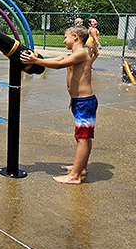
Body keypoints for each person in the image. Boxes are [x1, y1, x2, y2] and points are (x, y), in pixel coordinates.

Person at [20, 25, 96, 185]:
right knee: (83, 137)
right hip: (79, 102)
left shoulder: (81, 54)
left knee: (83, 138)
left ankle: (74, 176)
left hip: (84, 102)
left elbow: (59, 65)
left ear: (75, 37)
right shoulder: (73, 54)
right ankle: (82, 167)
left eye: (65, 37)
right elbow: (59, 59)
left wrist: (36, 61)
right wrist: (37, 60)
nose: (63, 40)